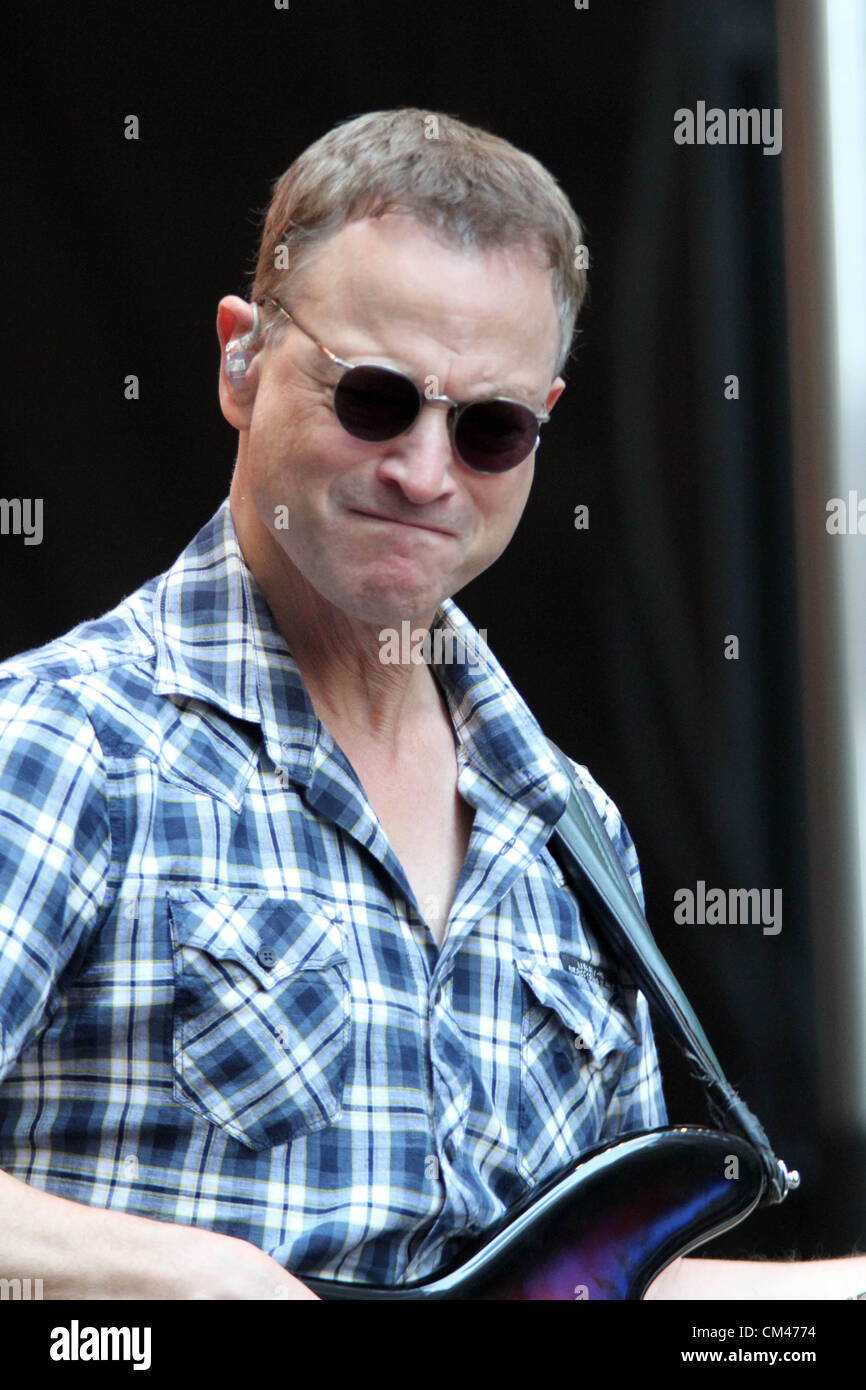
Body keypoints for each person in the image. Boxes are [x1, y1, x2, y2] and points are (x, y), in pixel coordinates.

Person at [0, 108, 861, 1301]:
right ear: (239, 362)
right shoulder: (60, 743)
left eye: (490, 428)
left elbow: (596, 1285)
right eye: (373, 398)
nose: (422, 470)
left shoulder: (568, 828)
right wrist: (173, 1276)